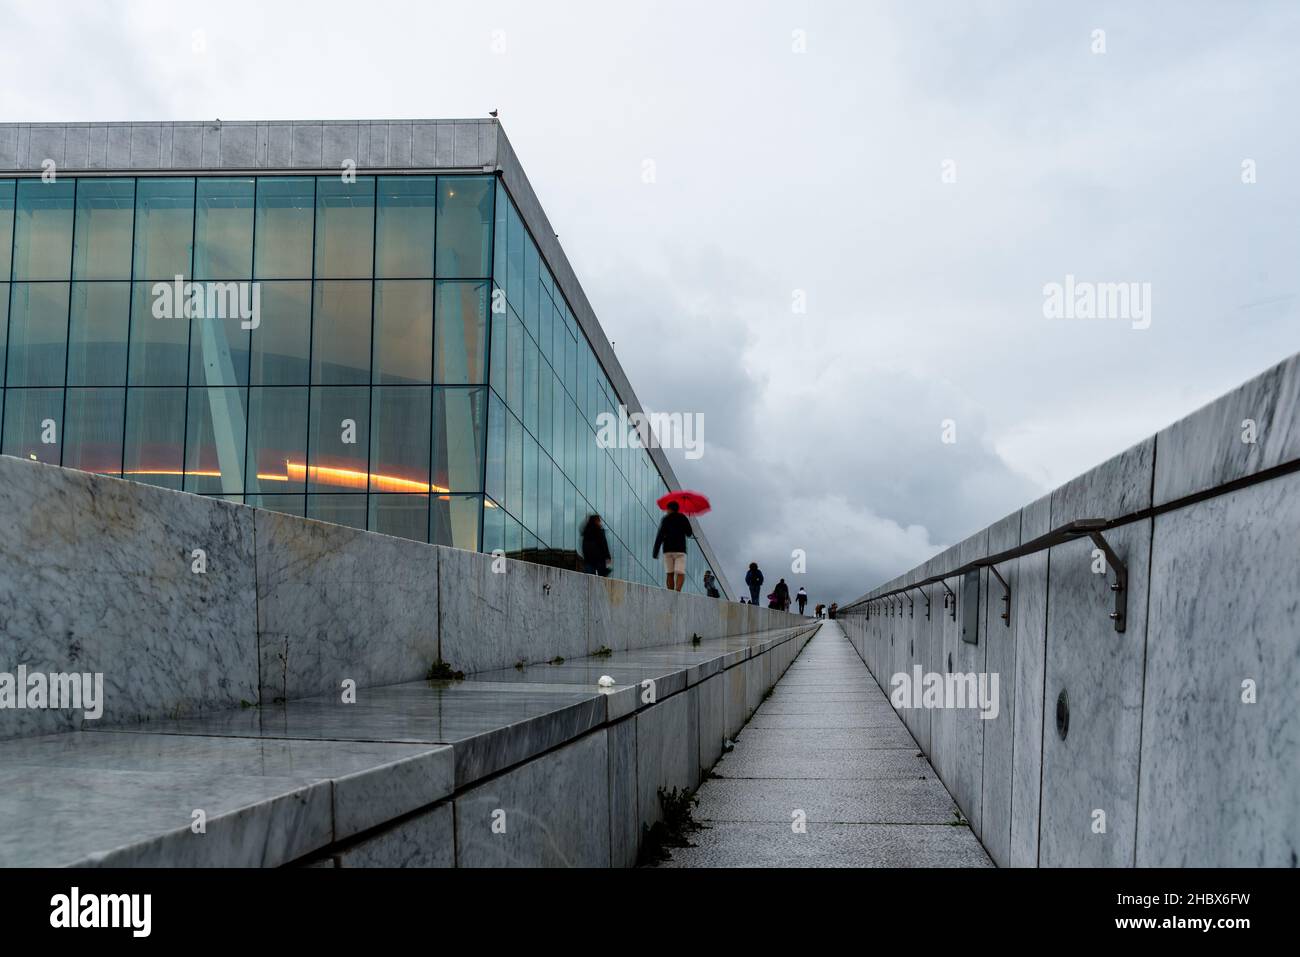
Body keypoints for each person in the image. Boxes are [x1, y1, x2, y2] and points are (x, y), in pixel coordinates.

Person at [652, 501, 693, 591]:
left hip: (668, 550)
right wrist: (686, 523)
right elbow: (689, 533)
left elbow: (660, 536)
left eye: (667, 509)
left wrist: (655, 551)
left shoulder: (666, 519)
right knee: (680, 573)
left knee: (670, 573)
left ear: (669, 509)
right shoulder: (683, 518)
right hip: (680, 550)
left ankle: (670, 593)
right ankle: (677, 591)